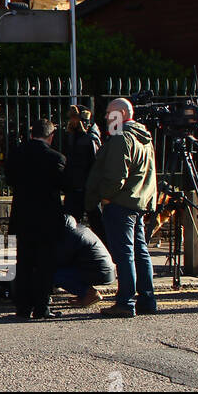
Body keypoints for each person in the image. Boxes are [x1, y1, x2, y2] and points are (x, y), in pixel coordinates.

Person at [86, 98, 159, 318]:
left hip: (120, 203)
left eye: (110, 113)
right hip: (138, 202)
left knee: (125, 253)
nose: (107, 117)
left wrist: (105, 197)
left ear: (121, 114)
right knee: (140, 251)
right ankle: (147, 298)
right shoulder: (144, 137)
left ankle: (126, 302)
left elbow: (116, 176)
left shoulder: (121, 137)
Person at [5, 118, 67, 319]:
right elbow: (64, 185)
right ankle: (42, 307)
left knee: (23, 263)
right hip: (47, 219)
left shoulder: (16, 154)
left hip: (23, 216)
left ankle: (22, 308)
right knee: (44, 265)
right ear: (50, 136)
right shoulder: (56, 158)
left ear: (32, 134)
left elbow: (9, 180)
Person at [57, 105, 104, 242]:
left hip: (87, 188)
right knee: (69, 224)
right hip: (75, 187)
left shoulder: (90, 139)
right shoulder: (73, 136)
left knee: (97, 224)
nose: (70, 121)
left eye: (73, 118)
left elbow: (96, 165)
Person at [53, 214, 116, 309]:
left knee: (55, 274)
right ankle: (84, 293)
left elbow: (60, 260)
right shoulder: (80, 229)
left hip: (99, 271)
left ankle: (89, 293)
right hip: (105, 270)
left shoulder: (70, 236)